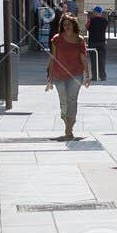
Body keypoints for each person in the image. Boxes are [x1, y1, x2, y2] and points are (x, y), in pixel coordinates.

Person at [46, 12, 90, 140]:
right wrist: (50, 76)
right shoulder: (56, 39)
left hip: (75, 74)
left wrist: (87, 75)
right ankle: (68, 121)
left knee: (72, 100)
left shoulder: (79, 40)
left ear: (73, 25)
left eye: (69, 24)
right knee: (63, 102)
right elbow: (53, 57)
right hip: (59, 74)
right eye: (64, 25)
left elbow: (83, 58)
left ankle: (69, 128)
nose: (67, 27)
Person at [86, 5, 108, 81]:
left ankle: (94, 76)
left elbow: (87, 27)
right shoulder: (105, 21)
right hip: (102, 42)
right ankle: (103, 76)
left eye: (93, 12)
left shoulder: (91, 20)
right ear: (101, 13)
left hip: (93, 42)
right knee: (102, 60)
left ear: (95, 12)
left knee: (93, 60)